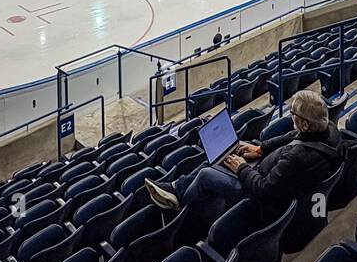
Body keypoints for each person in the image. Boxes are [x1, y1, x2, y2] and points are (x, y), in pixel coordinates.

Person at [145, 90, 343, 225]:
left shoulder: (299, 158)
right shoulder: (329, 130)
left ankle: (179, 206)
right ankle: (175, 187)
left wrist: (241, 168)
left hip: (257, 195)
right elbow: (293, 137)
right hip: (265, 170)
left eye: (293, 114)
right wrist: (260, 149)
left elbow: (264, 190)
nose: (290, 116)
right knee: (220, 158)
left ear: (305, 124)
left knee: (206, 173)